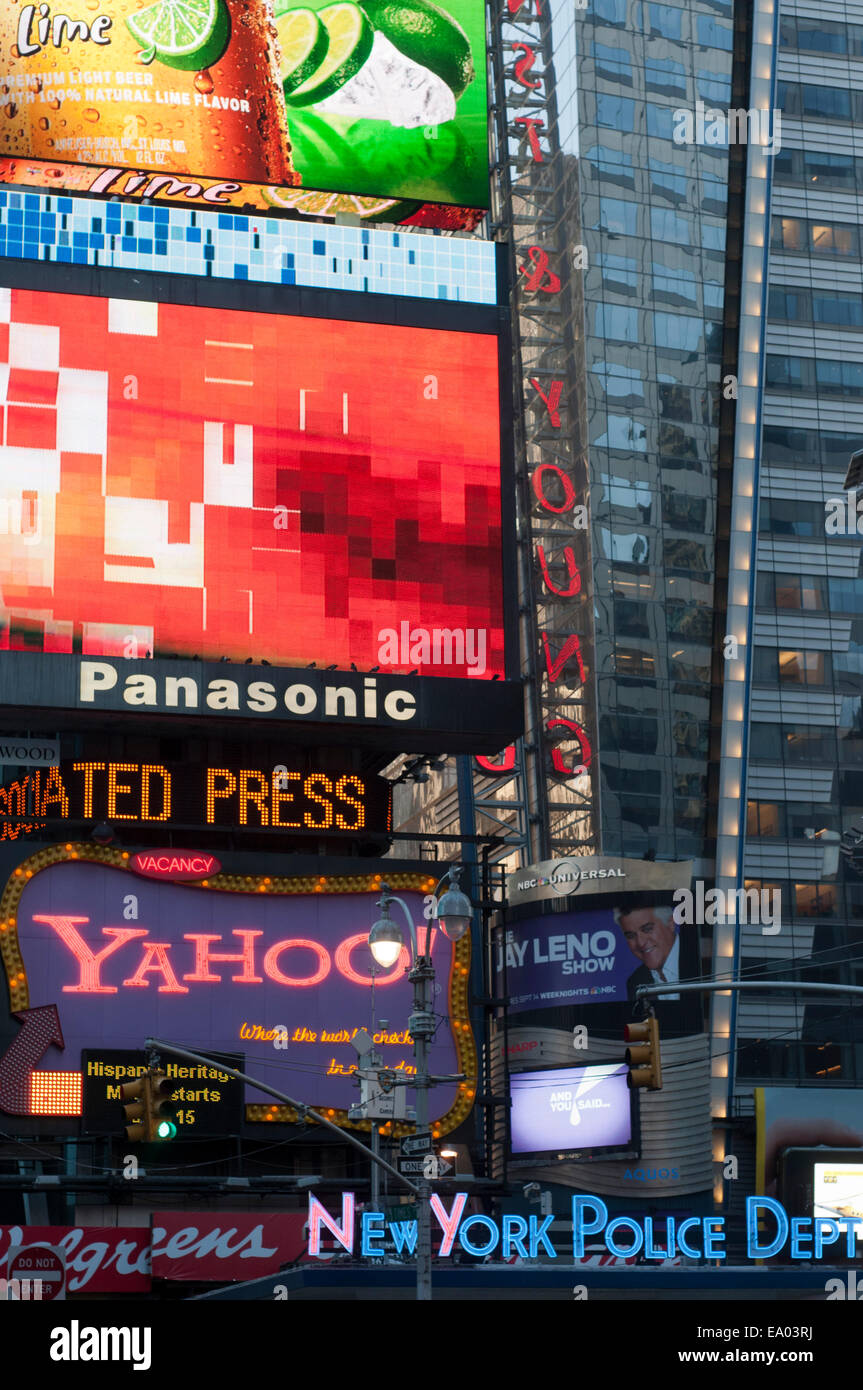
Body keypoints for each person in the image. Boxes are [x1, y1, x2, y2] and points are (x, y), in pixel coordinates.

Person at [615, 905, 680, 1001]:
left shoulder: (702, 960)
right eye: (631, 936)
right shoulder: (635, 981)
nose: (640, 943)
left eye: (647, 929)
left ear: (670, 923)